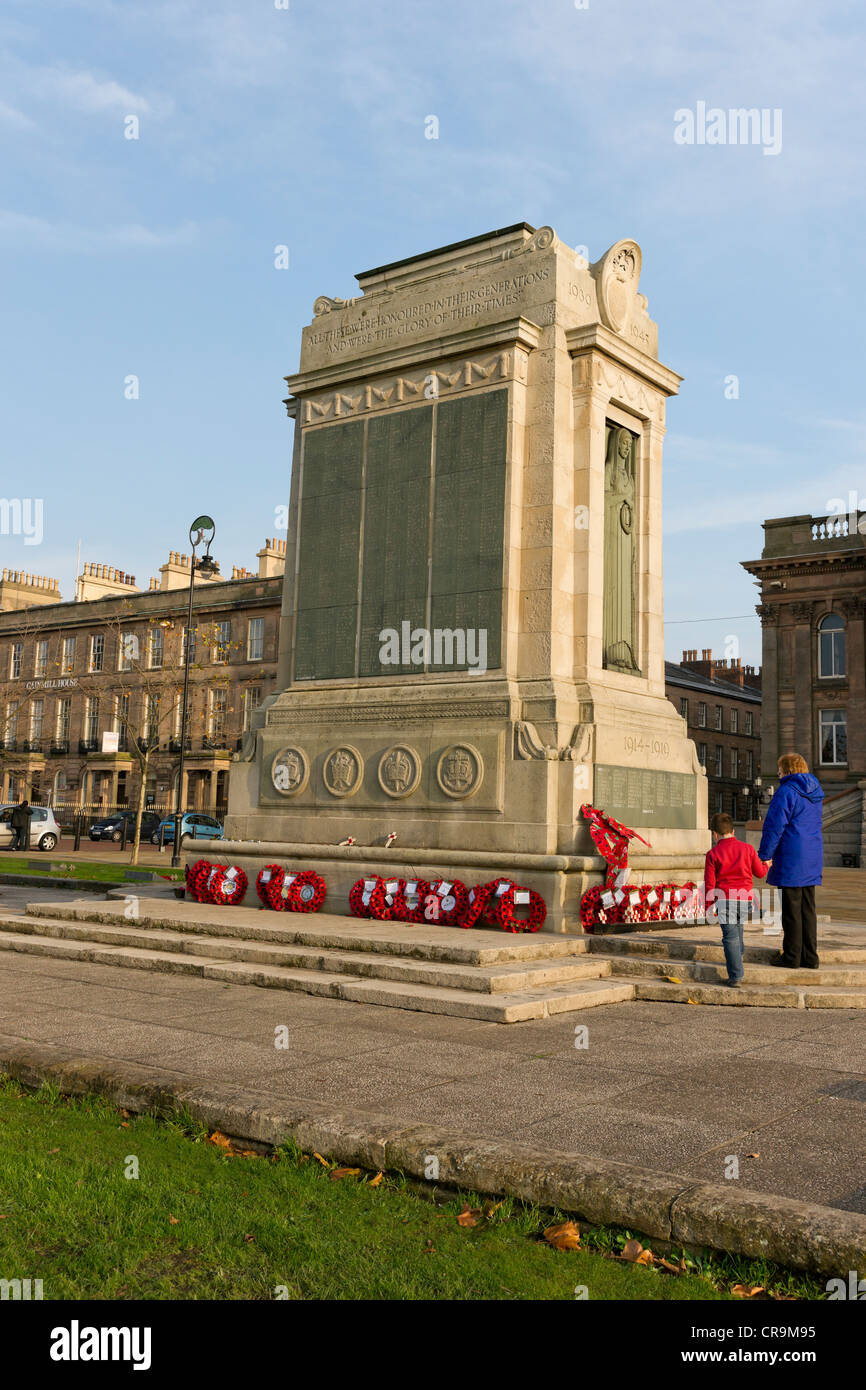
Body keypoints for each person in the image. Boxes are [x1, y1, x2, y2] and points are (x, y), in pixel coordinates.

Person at [758, 753, 824, 969]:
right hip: (811, 856)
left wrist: (765, 855)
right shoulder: (815, 792)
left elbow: (775, 826)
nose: (778, 773)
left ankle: (792, 956)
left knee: (791, 909)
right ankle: (810, 956)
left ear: (787, 770)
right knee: (808, 909)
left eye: (780, 769)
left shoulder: (786, 792)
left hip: (791, 856)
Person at [704, 812, 770, 987]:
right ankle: (737, 957)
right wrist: (767, 865)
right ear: (733, 831)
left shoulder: (712, 854)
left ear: (715, 834)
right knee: (738, 930)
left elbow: (710, 884)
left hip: (725, 899)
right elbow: (760, 872)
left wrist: (708, 906)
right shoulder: (747, 849)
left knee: (730, 938)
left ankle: (736, 975)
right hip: (745, 899)